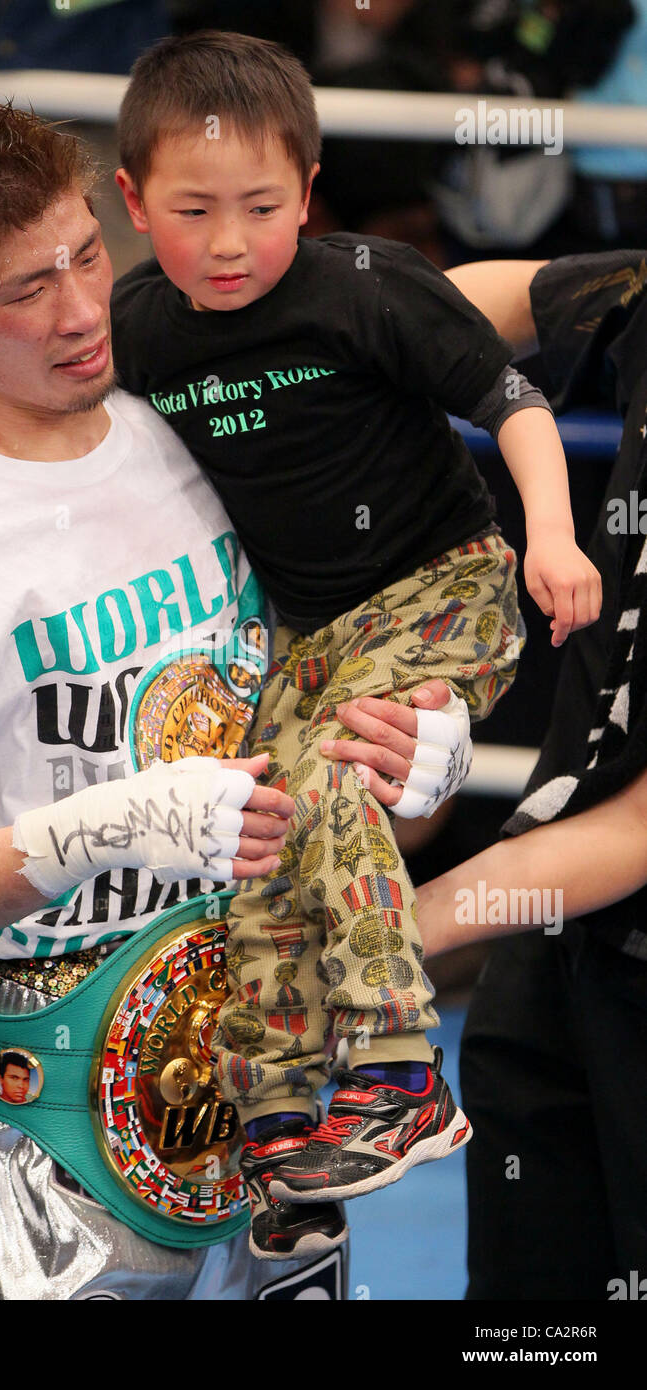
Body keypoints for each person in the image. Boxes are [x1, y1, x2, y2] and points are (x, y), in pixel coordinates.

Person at [0, 77, 349, 1300]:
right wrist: (122, 819)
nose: (80, 311)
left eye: (86, 256)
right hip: (65, 1133)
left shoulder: (180, 408)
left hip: (271, 1065)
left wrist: (388, 731)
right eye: (24, 289)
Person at [109, 30, 602, 1258]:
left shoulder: (367, 284)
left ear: (310, 186)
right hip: (309, 631)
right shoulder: (138, 328)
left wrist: (551, 536)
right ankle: (275, 1094)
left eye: (262, 207)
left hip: (443, 581)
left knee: (331, 778)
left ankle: (396, 1069)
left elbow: (515, 402)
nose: (229, 242)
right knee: (257, 819)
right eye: (192, 210)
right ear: (130, 201)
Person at [400, 250, 647, 1300]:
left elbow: (635, 830)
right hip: (554, 953)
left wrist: (373, 931)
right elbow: (495, 296)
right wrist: (296, 350)